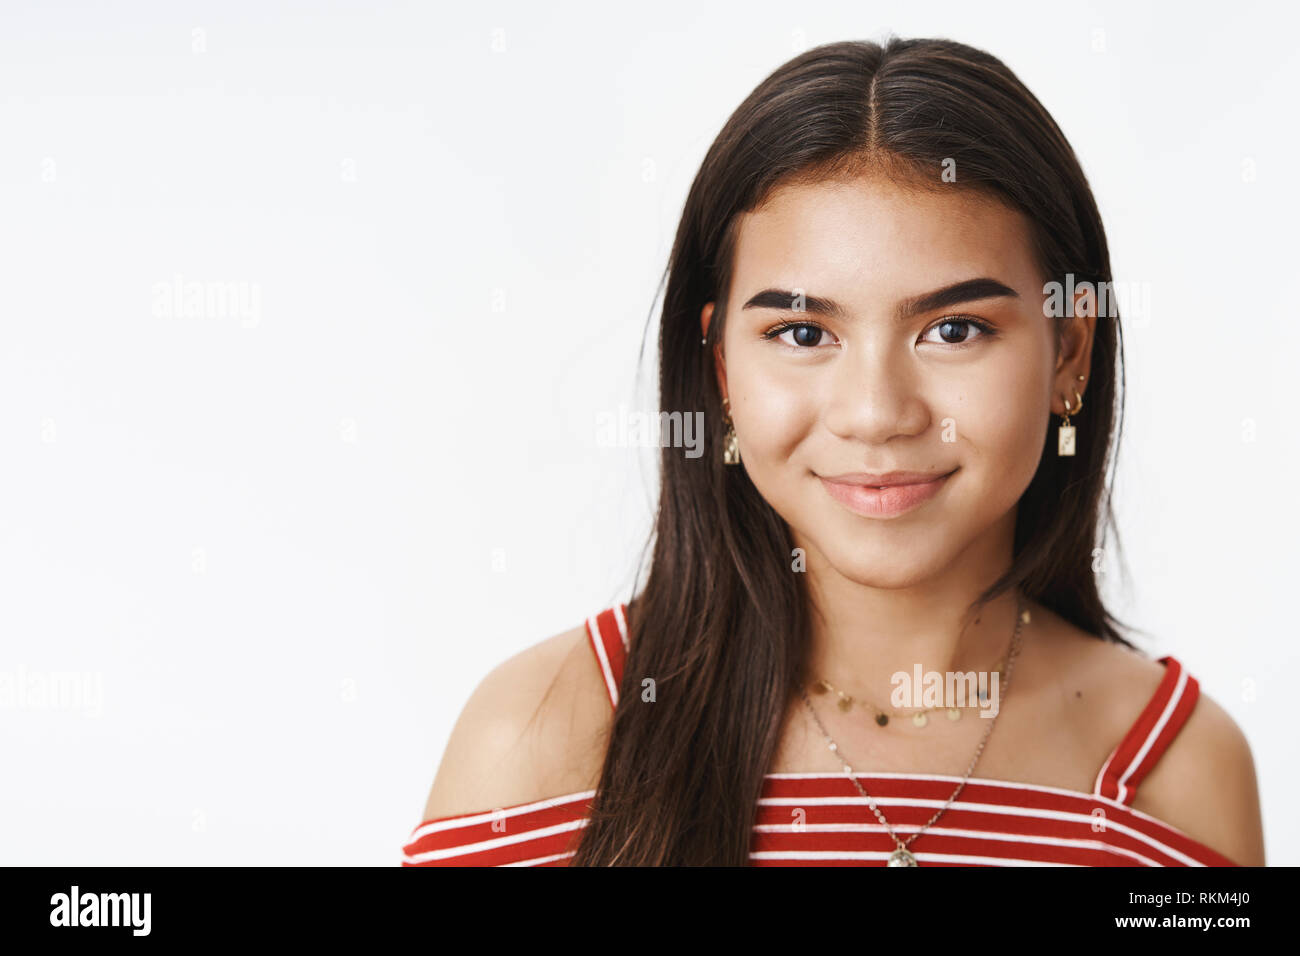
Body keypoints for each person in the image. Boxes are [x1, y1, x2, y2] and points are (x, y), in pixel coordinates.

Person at [404, 36, 1265, 866]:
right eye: (803, 331)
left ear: (1068, 353)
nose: (876, 413)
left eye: (954, 329)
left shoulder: (1177, 774)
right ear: (722, 372)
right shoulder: (542, 738)